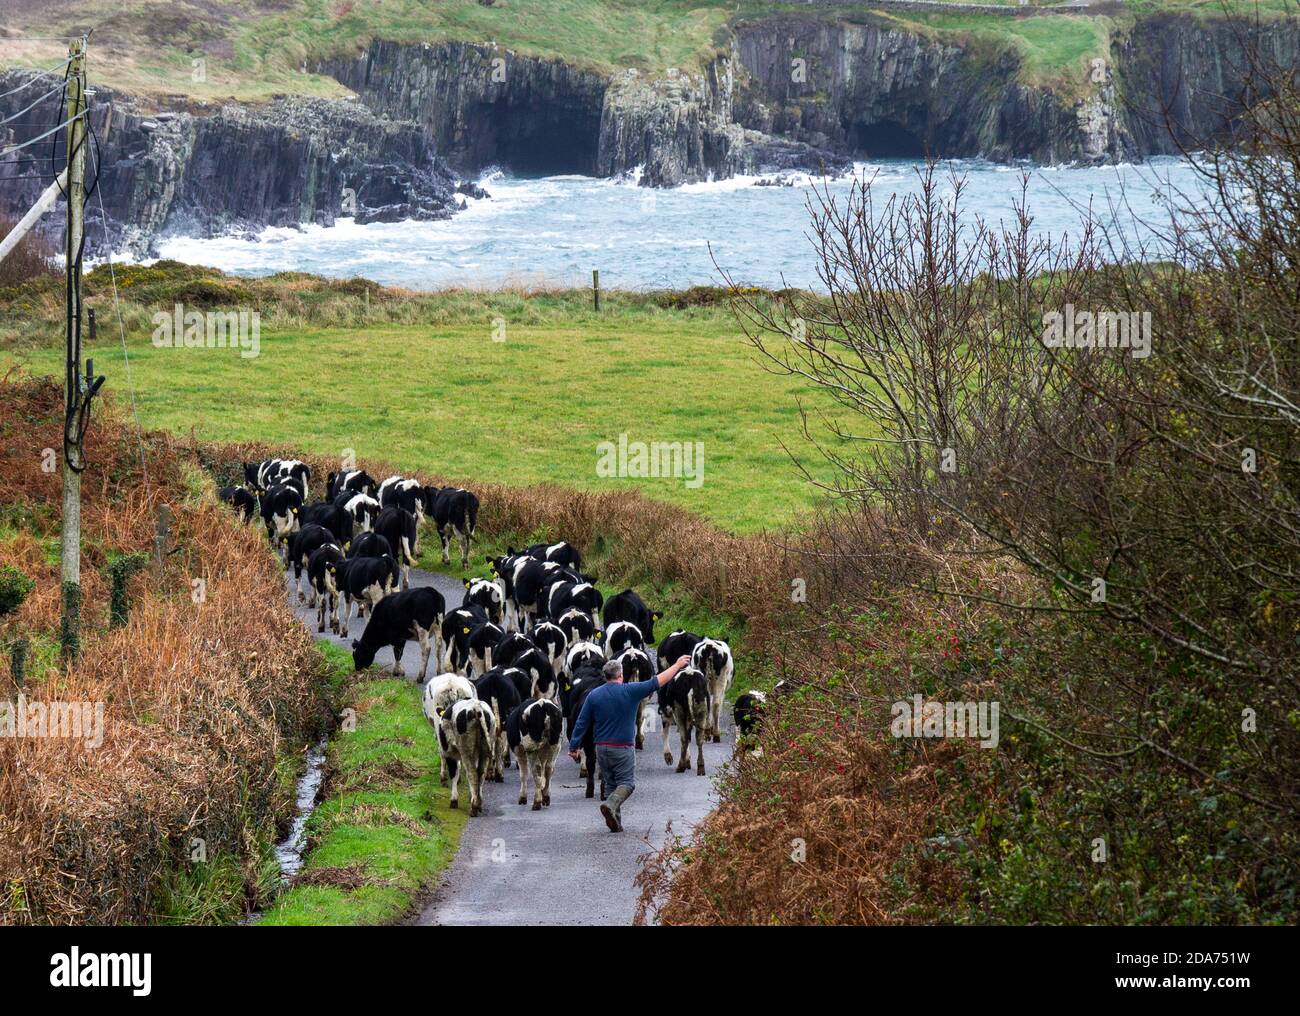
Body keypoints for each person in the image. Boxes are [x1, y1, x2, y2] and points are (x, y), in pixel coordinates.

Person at [568, 653, 692, 832]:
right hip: (623, 748)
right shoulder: (630, 690)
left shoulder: (594, 695)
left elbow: (581, 722)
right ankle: (610, 805)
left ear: (605, 676)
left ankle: (616, 824)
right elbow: (657, 681)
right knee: (627, 784)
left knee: (611, 784)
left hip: (601, 749)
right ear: (621, 675)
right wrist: (677, 664)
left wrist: (574, 746)